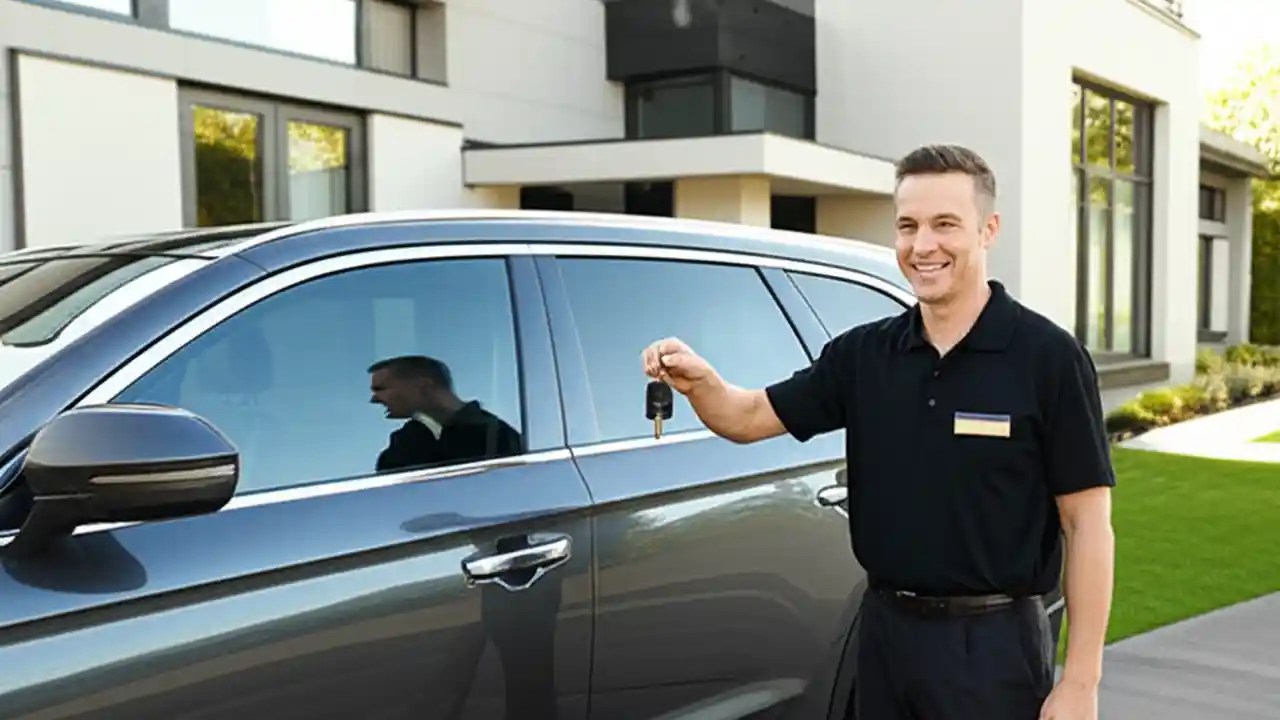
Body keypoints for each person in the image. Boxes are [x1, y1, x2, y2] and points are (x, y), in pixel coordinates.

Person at [641, 144, 1115, 720]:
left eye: (945, 225)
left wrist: (1081, 682)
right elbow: (747, 417)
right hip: (885, 637)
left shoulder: (1048, 359)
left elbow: (1086, 523)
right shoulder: (864, 356)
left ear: (988, 229)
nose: (922, 246)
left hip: (993, 648)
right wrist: (702, 382)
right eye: (908, 226)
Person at [368, 355, 523, 472]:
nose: (374, 399)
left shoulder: (500, 438)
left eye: (381, 389)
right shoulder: (407, 439)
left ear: (424, 385)